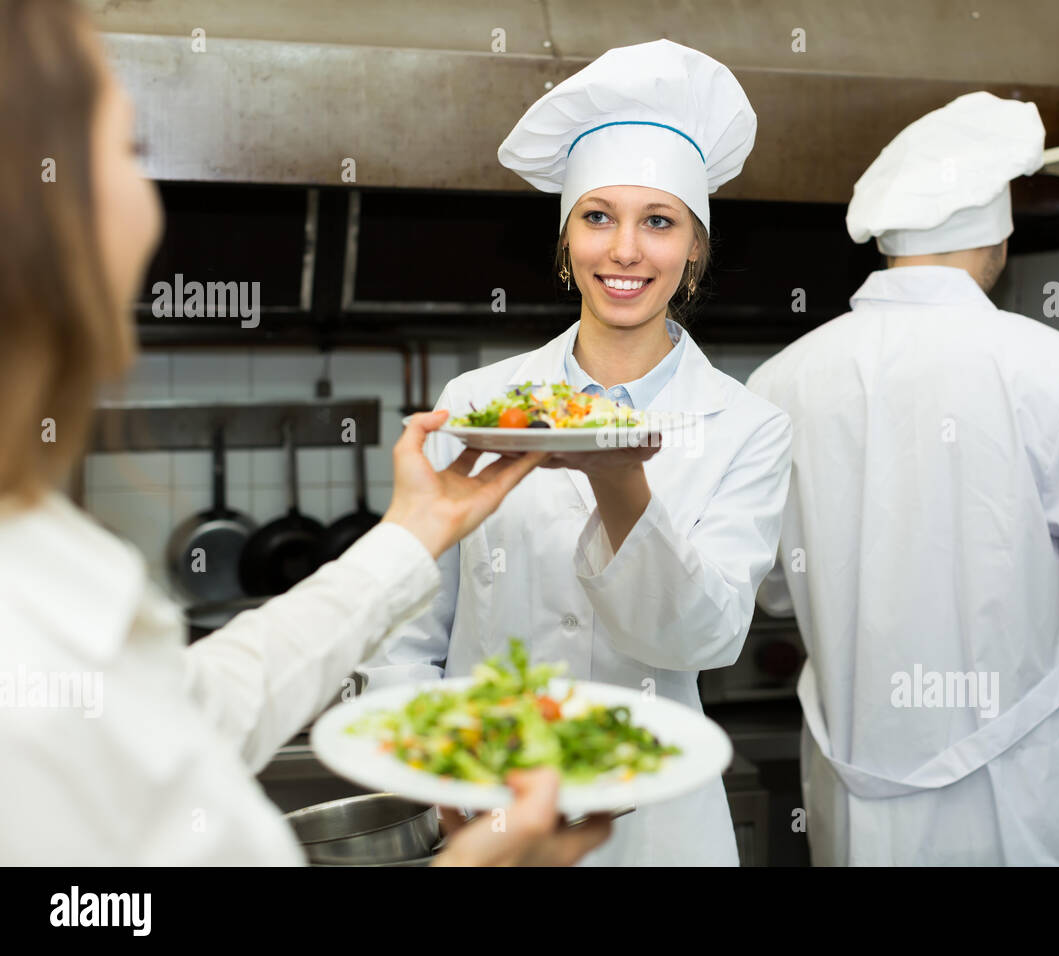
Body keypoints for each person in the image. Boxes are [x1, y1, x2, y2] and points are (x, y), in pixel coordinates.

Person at [0, 0, 609, 866]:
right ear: (38, 214)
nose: (152, 208)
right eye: (130, 154)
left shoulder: (35, 553)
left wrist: (414, 534)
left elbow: (196, 708)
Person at [361, 39, 793, 866]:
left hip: (657, 824)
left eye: (658, 222)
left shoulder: (747, 425)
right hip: (490, 806)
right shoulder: (477, 405)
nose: (624, 252)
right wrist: (431, 771)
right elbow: (414, 620)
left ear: (695, 248)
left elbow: (701, 640)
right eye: (598, 217)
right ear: (565, 241)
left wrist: (618, 475)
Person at [747, 92, 1059, 866]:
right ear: (1000, 238)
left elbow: (775, 590)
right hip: (1012, 798)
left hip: (851, 784)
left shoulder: (784, 381)